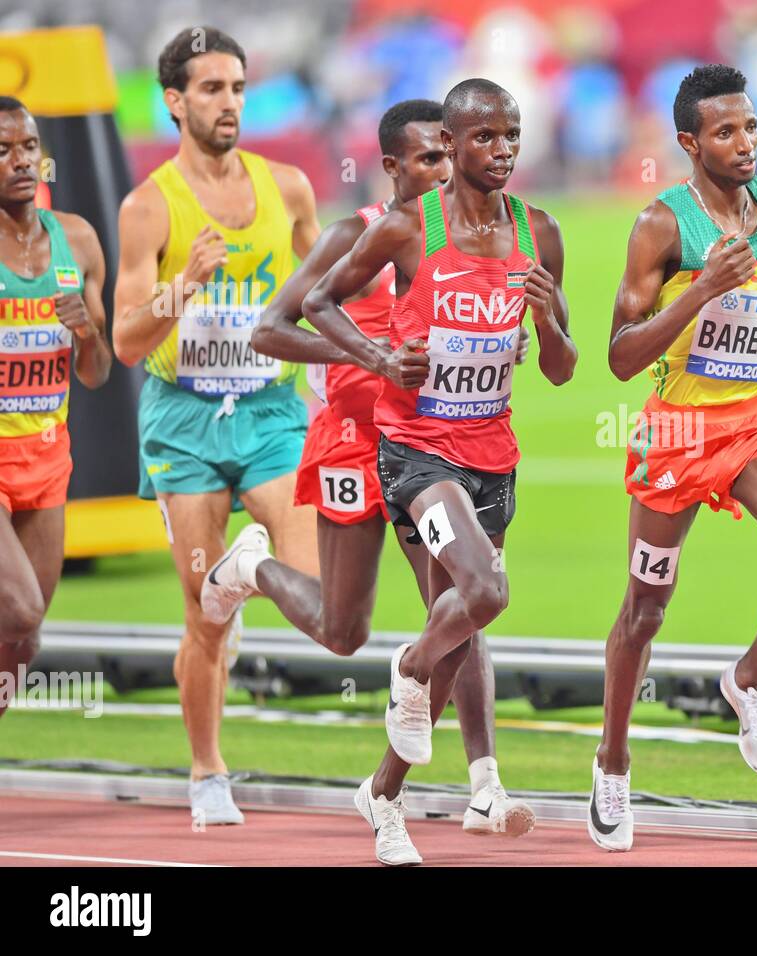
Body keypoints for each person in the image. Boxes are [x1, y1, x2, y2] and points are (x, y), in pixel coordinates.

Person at [202, 99, 536, 862]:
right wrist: (371, 353)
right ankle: (253, 565)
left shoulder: (471, 237)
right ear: (391, 167)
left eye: (446, 161)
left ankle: (481, 784)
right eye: (426, 161)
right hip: (355, 443)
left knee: (461, 603)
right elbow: (272, 327)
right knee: (346, 633)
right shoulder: (359, 234)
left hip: (434, 448)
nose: (442, 174)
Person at [302, 77, 577, 865]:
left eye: (513, 135)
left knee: (459, 630)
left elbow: (561, 369)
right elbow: (319, 302)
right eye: (486, 137)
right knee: (483, 592)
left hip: (494, 454)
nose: (503, 151)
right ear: (451, 146)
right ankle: (409, 667)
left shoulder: (540, 230)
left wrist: (550, 314)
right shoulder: (405, 229)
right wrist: (380, 356)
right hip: (417, 452)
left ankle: (385, 792)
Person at [589, 65, 757, 851]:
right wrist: (700, 291)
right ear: (690, 143)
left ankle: (747, 681)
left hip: (755, 421)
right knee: (645, 611)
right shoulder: (661, 228)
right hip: (678, 438)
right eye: (726, 133)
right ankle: (612, 761)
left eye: (753, 128)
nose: (745, 145)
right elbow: (621, 358)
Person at [112, 27, 321, 825]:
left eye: (237, 87)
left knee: (312, 578)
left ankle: (244, 570)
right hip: (185, 419)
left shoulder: (290, 188)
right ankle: (207, 773)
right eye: (211, 89)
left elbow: (326, 282)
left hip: (268, 409)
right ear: (175, 102)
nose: (230, 102)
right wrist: (184, 285)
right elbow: (128, 339)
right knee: (203, 616)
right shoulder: (148, 207)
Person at [0, 97, 112, 719]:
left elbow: (95, 375)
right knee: (18, 607)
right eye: (2, 150)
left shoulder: (77, 239)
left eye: (27, 146)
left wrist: (86, 333)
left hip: (47, 456)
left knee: (23, 636)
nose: (20, 161)